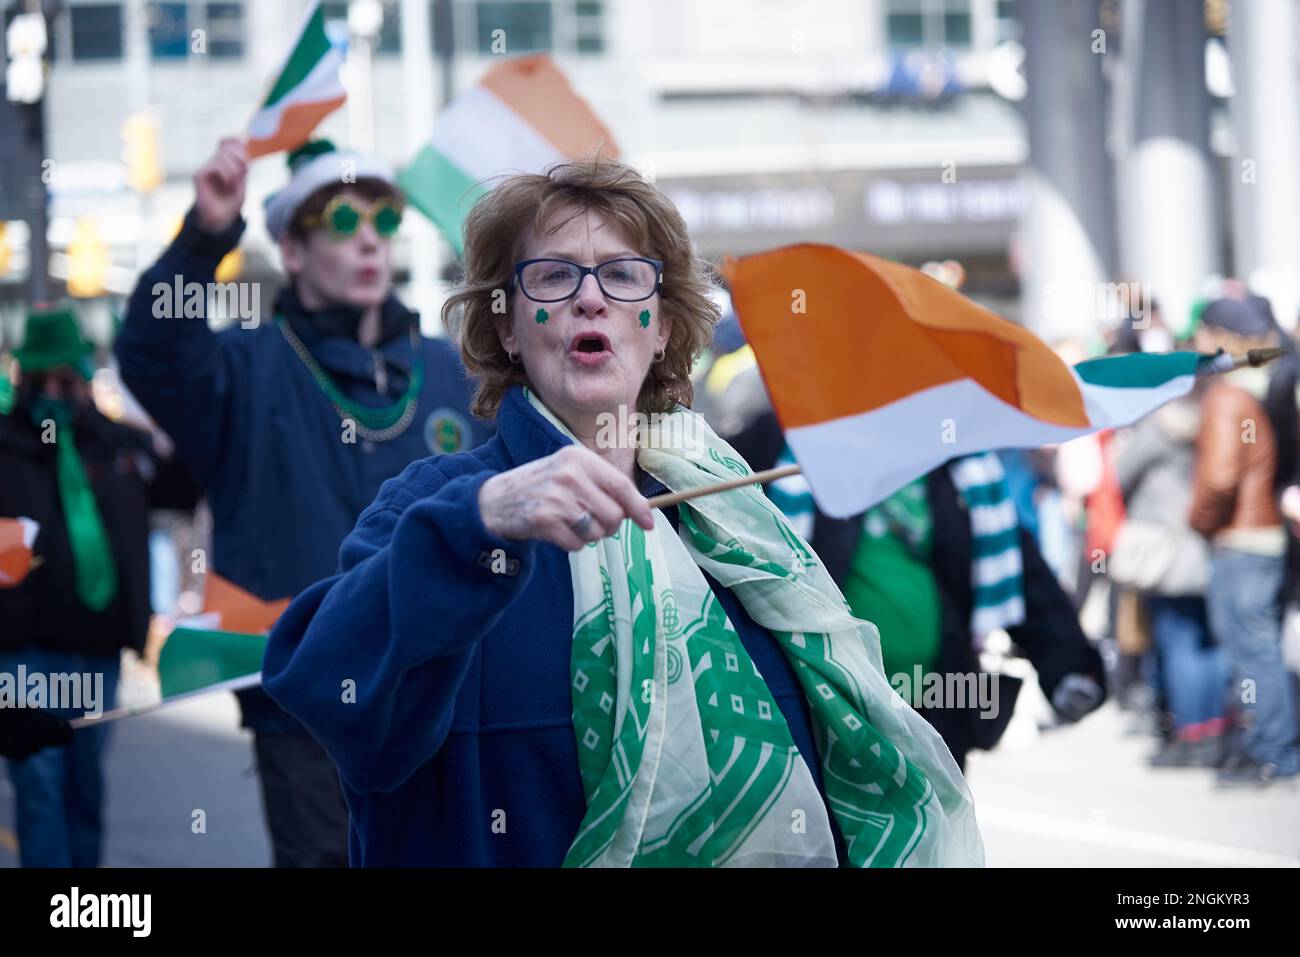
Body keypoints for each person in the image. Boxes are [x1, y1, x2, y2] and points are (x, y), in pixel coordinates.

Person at [263, 157, 982, 867]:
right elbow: (330, 691)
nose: (590, 298)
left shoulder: (734, 520)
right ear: (508, 327)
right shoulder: (439, 503)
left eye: (622, 273)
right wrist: (478, 524)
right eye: (552, 275)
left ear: (663, 327)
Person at [113, 137, 491, 866]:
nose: (370, 244)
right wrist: (204, 235)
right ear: (291, 249)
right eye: (343, 224)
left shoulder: (450, 372)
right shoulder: (243, 367)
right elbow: (151, 353)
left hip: (448, 695)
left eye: (383, 223)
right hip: (307, 702)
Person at [0, 305, 199, 866]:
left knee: (85, 789)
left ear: (85, 379)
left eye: (68, 380)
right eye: (43, 380)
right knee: (39, 783)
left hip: (97, 653)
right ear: (24, 378)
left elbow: (181, 492)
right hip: (22, 653)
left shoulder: (120, 446)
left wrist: (172, 426)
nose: (56, 392)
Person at [1189, 295, 1300, 785]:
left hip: (1242, 540)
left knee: (1252, 653)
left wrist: (1198, 521)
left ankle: (1271, 750)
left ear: (1217, 336)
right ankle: (1270, 746)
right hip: (1263, 536)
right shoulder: (1257, 386)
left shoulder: (1227, 395)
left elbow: (1218, 478)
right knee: (1260, 649)